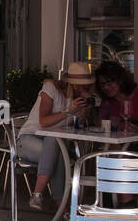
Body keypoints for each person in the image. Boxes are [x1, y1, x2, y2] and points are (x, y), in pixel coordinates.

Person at [17, 61, 96, 212]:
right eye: (78, 84)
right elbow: (44, 121)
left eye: (84, 85)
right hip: (29, 139)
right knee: (58, 151)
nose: (81, 88)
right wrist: (67, 111)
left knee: (58, 149)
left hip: (55, 145)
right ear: (70, 83)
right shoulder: (51, 88)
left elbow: (78, 126)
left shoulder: (78, 100)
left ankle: (39, 195)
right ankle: (60, 206)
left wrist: (85, 109)